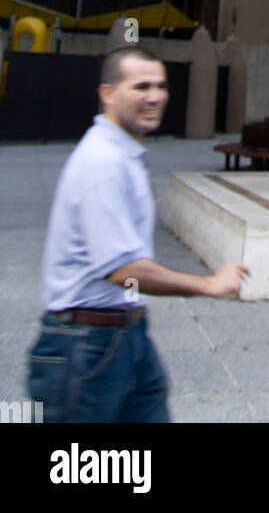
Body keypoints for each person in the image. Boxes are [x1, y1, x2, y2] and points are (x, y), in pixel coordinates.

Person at [27, 46, 249, 422]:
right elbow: (124, 270)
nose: (154, 97)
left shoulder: (124, 154)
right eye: (141, 86)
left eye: (160, 86)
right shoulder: (102, 163)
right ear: (108, 94)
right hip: (83, 346)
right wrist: (207, 284)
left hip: (124, 336)